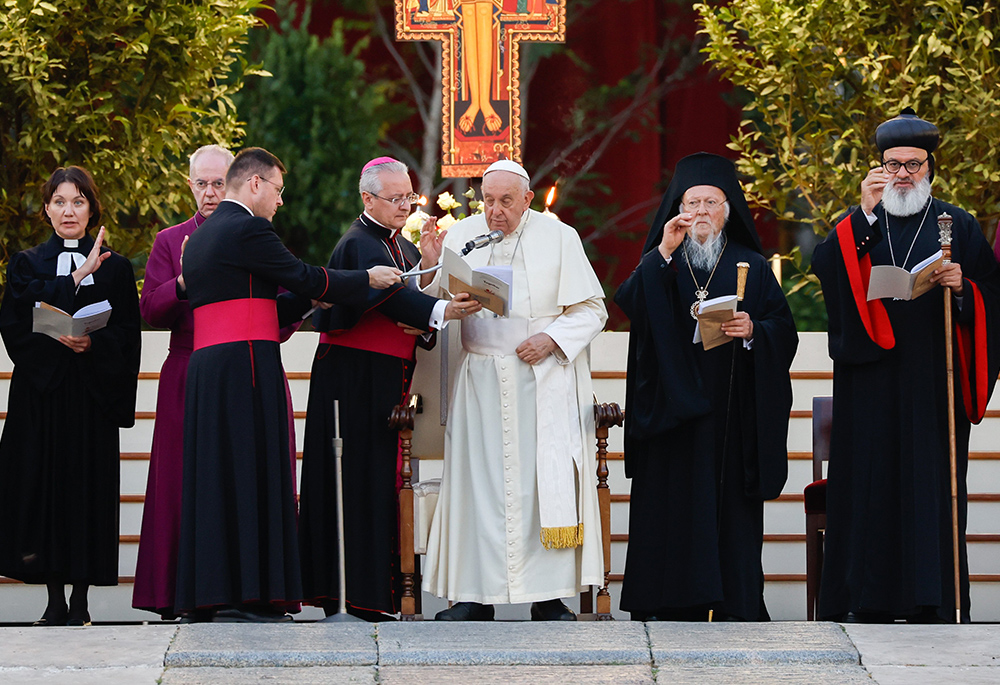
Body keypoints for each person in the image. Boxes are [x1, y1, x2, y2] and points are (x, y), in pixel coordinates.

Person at [173, 147, 401, 622]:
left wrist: (307, 304)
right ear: (255, 184)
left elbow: (259, 303)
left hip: (210, 365)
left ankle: (213, 592)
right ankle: (251, 594)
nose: (279, 202)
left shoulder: (201, 238)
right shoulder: (248, 227)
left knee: (216, 478)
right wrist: (366, 278)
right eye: (277, 190)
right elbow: (303, 276)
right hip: (245, 366)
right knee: (251, 472)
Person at [813, 109, 1000, 623]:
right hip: (869, 382)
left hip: (932, 385)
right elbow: (828, 270)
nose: (901, 174)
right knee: (870, 486)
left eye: (912, 165)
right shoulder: (859, 223)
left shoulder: (956, 223)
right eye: (891, 165)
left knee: (930, 488)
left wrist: (965, 290)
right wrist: (864, 215)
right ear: (876, 170)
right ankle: (866, 599)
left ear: (930, 170)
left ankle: (932, 600)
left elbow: (992, 296)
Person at [418, 159, 608, 621]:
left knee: (538, 489)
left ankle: (549, 597)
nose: (495, 211)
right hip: (480, 379)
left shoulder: (560, 237)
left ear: (527, 198)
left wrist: (551, 339)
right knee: (477, 487)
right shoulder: (462, 234)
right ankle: (471, 596)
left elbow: (592, 310)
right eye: (488, 200)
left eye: (506, 201)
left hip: (540, 380)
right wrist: (429, 264)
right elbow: (431, 301)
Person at [614, 152, 798, 621]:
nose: (699, 212)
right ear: (677, 210)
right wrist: (663, 251)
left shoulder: (752, 265)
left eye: (710, 203)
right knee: (669, 512)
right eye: (691, 203)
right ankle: (666, 603)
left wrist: (754, 329)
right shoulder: (662, 260)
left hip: (730, 414)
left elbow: (784, 330)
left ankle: (734, 602)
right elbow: (629, 303)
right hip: (671, 416)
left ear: (726, 210)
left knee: (729, 513)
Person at [298, 157, 479, 621]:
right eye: (395, 198)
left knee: (380, 483)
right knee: (356, 483)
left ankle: (377, 594)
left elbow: (410, 304)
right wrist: (442, 312)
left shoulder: (398, 246)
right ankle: (355, 597)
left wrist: (432, 267)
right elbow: (398, 301)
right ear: (368, 199)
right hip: (353, 377)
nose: (404, 206)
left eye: (409, 197)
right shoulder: (360, 243)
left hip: (383, 378)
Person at [0, 166, 141, 626]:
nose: (68, 210)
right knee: (44, 490)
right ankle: (52, 600)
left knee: (86, 492)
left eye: (78, 201)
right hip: (42, 397)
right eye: (59, 201)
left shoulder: (117, 267)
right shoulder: (25, 262)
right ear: (46, 210)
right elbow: (17, 319)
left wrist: (92, 343)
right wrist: (78, 275)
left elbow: (127, 333)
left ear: (91, 209)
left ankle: (80, 602)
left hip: (90, 397)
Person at [132, 144, 234, 620]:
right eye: (202, 183)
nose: (210, 193)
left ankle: (237, 592)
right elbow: (150, 309)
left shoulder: (253, 234)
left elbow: (282, 302)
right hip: (186, 370)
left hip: (237, 372)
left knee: (233, 479)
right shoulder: (170, 240)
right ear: (188, 184)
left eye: (219, 183)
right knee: (179, 480)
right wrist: (183, 281)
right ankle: (179, 593)